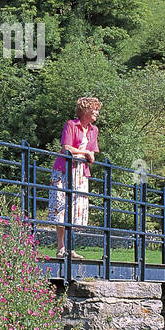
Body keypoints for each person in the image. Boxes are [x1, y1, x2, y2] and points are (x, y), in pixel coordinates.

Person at [49, 97, 101, 259]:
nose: (97, 113)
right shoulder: (71, 125)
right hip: (64, 170)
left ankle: (71, 247)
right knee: (61, 205)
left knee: (76, 208)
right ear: (85, 111)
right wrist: (85, 153)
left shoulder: (94, 130)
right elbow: (66, 148)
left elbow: (92, 152)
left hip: (81, 171)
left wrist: (89, 156)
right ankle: (60, 247)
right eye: (94, 110)